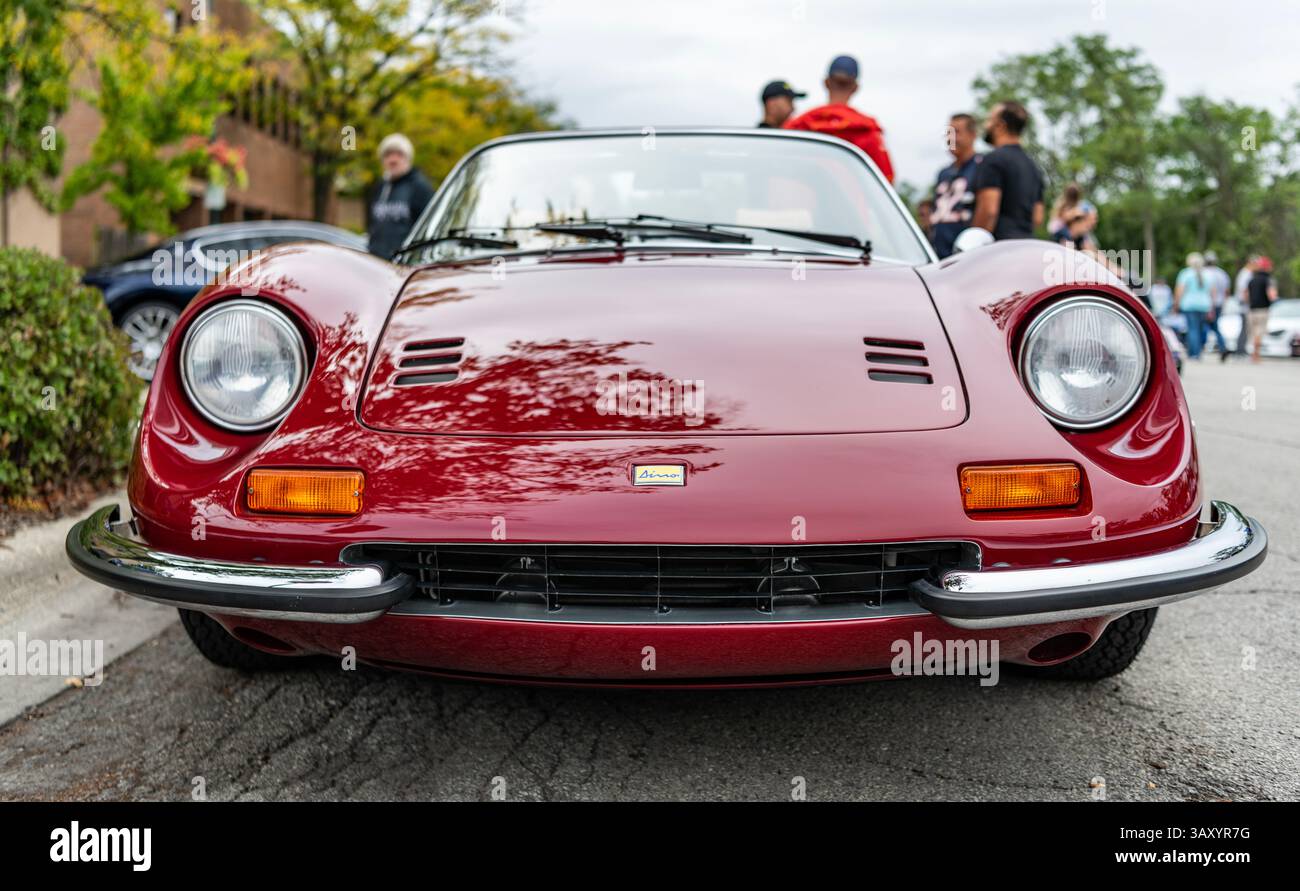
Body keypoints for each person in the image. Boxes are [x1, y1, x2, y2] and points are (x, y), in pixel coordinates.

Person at [783, 55, 894, 182]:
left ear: (826, 83)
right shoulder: (868, 132)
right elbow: (886, 180)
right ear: (855, 88)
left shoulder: (797, 127)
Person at [971, 101, 1044, 240]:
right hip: (1025, 246)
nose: (986, 125)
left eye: (989, 120)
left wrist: (974, 244)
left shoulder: (992, 160)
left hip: (998, 250)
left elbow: (989, 211)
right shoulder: (1033, 166)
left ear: (1000, 126)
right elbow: (1038, 217)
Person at [367, 133, 435, 261]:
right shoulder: (380, 187)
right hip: (377, 263)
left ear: (408, 158)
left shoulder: (420, 187)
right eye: (388, 155)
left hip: (405, 266)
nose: (393, 160)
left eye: (398, 154)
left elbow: (429, 230)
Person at [928, 113, 982, 258]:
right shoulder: (943, 173)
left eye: (957, 132)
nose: (951, 139)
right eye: (948, 133)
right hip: (938, 256)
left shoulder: (982, 167)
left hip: (966, 257)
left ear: (973, 135)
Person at [1174, 252, 1214, 360]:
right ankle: (1198, 351)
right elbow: (1212, 292)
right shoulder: (1208, 274)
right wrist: (1212, 307)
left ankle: (1193, 353)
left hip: (1189, 304)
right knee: (1201, 329)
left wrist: (1176, 304)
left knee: (1192, 329)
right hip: (1204, 305)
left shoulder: (1186, 273)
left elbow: (1180, 290)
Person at [1246, 256, 1279, 363]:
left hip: (1251, 310)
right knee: (1259, 333)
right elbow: (1272, 295)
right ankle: (1256, 355)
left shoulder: (1252, 279)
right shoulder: (1268, 279)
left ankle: (1253, 355)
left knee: (1253, 333)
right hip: (1263, 310)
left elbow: (1245, 295)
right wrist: (1275, 299)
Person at [1203, 250, 1233, 360]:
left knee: (1203, 326)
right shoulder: (1222, 273)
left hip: (1206, 304)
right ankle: (1222, 347)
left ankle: (1199, 348)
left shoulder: (1203, 273)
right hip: (1219, 303)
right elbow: (1226, 291)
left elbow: (1209, 291)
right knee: (1215, 326)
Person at [1233, 255, 1259, 356]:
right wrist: (1249, 302)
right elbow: (1244, 291)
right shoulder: (1246, 274)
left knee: (1245, 328)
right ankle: (1240, 350)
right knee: (1244, 328)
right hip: (1244, 304)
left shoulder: (1247, 273)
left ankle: (1242, 349)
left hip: (1244, 303)